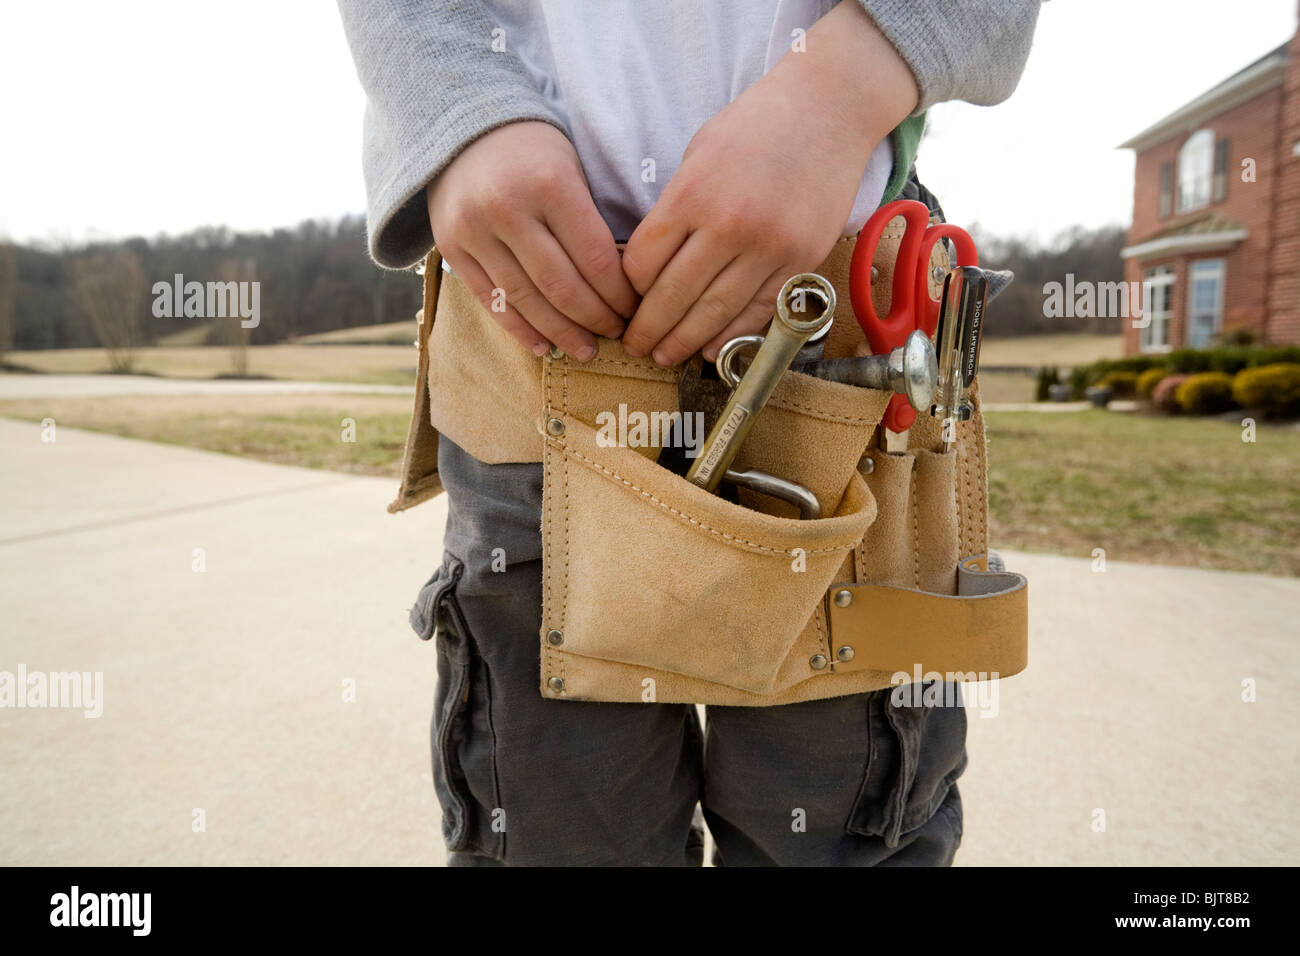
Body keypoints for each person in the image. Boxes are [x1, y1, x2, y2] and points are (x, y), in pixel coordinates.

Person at [338, 0, 1040, 866]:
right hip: (530, 338)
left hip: (838, 322)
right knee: (560, 841)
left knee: (833, 839)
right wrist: (458, 113)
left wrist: (842, 86)